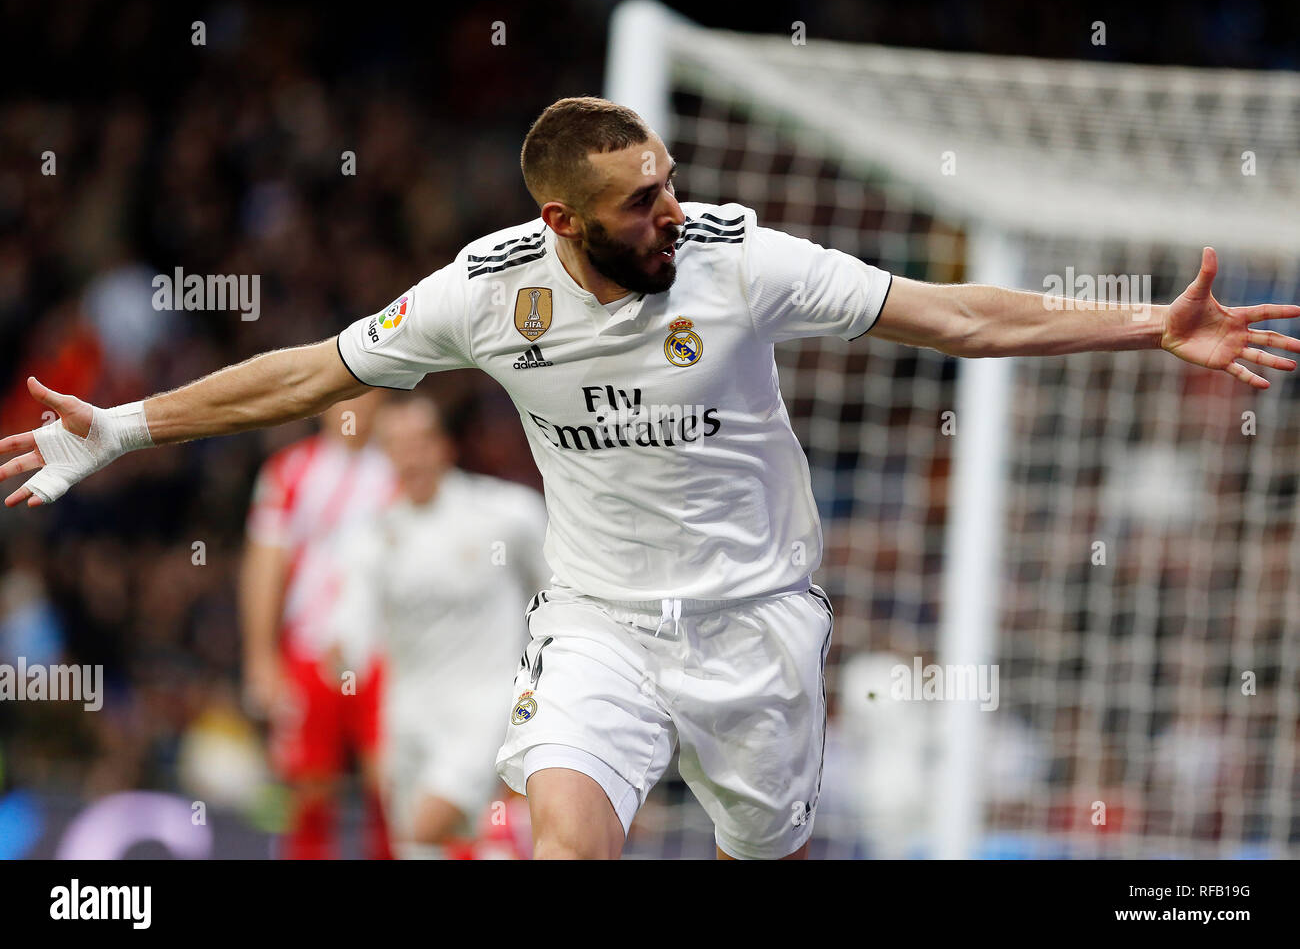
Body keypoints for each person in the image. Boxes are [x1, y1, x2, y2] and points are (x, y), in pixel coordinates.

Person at [3, 96, 1299, 860]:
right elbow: (311, 375)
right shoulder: (487, 291)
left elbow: (955, 318)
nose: (671, 210)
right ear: (563, 221)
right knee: (567, 839)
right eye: (638, 202)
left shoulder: (744, 262)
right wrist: (124, 428)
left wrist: (1144, 325)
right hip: (601, 628)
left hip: (760, 622)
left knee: (763, 851)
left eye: (668, 185)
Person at [327, 395, 548, 857]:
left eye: (421, 442)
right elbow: (354, 620)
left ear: (445, 446)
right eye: (396, 445)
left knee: (429, 823)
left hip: (485, 707)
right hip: (406, 715)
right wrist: (341, 653)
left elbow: (557, 590)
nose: (411, 456)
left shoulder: (507, 515)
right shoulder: (372, 535)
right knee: (421, 846)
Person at [239, 391, 397, 859]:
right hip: (308, 649)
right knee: (308, 792)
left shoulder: (399, 471)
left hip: (384, 654)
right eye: (349, 397)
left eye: (371, 398)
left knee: (391, 786)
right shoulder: (289, 472)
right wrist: (260, 658)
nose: (359, 410)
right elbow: (265, 566)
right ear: (324, 402)